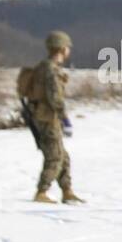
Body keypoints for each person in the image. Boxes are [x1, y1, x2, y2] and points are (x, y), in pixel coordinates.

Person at [28, 31, 84, 204]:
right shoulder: (51, 70)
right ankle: (41, 192)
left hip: (44, 117)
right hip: (48, 118)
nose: (69, 50)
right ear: (61, 48)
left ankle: (67, 191)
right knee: (55, 156)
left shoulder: (44, 67)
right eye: (67, 47)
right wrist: (64, 118)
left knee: (63, 156)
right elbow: (55, 97)